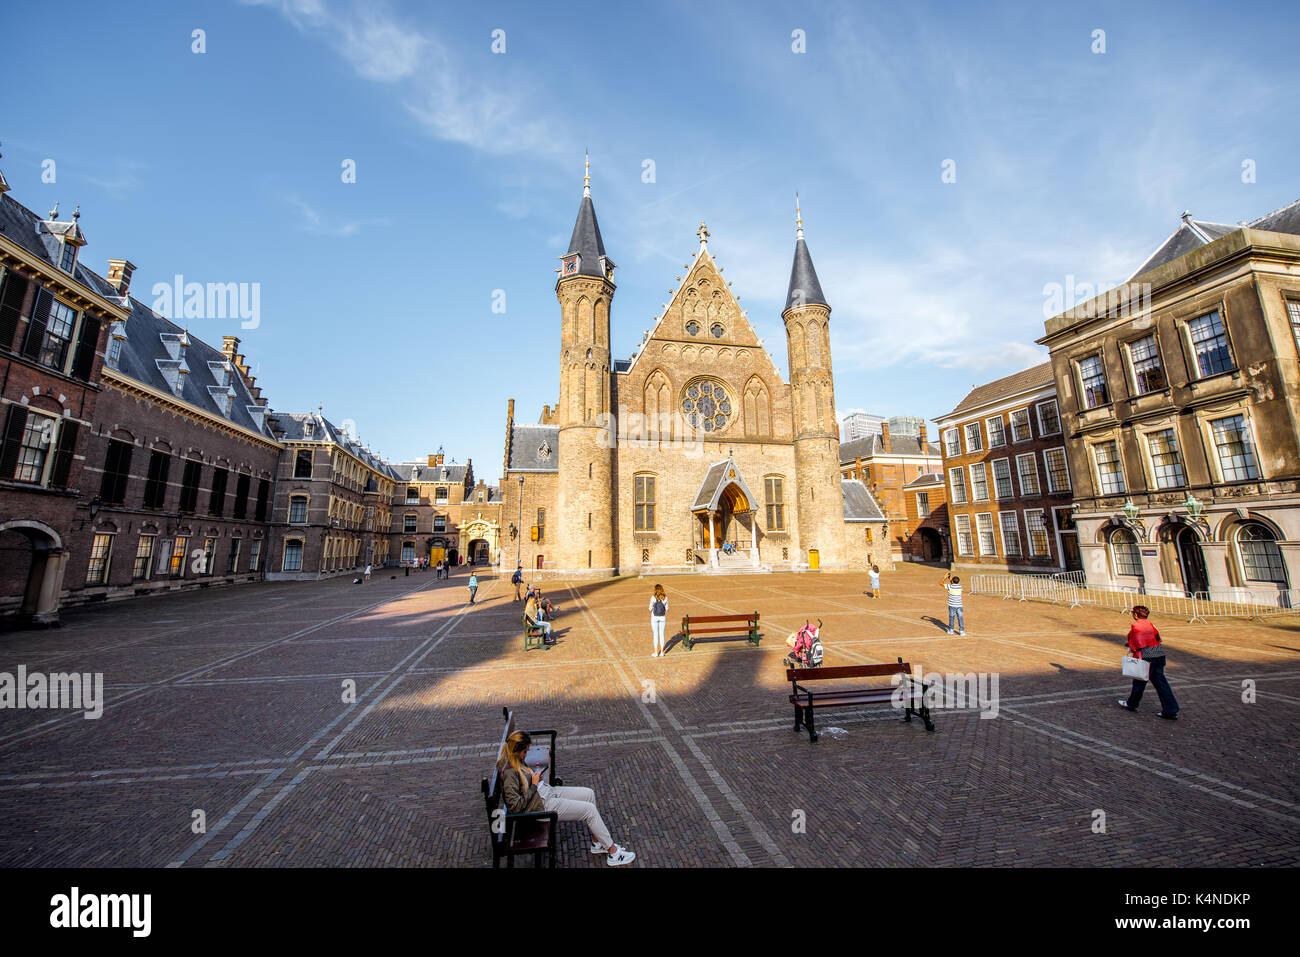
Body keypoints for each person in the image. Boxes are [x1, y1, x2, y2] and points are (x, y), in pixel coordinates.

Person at [499, 730, 635, 865]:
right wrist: (534, 785)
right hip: (542, 805)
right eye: (525, 751)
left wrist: (535, 780)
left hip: (546, 792)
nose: (526, 754)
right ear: (516, 750)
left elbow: (524, 785)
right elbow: (515, 807)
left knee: (589, 794)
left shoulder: (517, 759)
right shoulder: (509, 773)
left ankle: (597, 843)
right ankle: (613, 852)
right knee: (589, 810)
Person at [1119, 605, 1179, 719]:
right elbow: (1157, 639)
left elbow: (1139, 643)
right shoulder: (1151, 624)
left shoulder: (1136, 626)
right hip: (1158, 654)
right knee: (1162, 685)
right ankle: (1171, 709)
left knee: (1139, 682)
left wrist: (1131, 646)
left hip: (1146, 656)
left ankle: (1132, 704)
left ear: (1136, 615)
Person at [649, 584, 668, 657]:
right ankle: (662, 652)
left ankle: (656, 652)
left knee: (655, 634)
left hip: (654, 617)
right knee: (661, 634)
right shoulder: (665, 598)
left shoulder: (653, 597)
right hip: (662, 617)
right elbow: (667, 609)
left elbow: (650, 608)